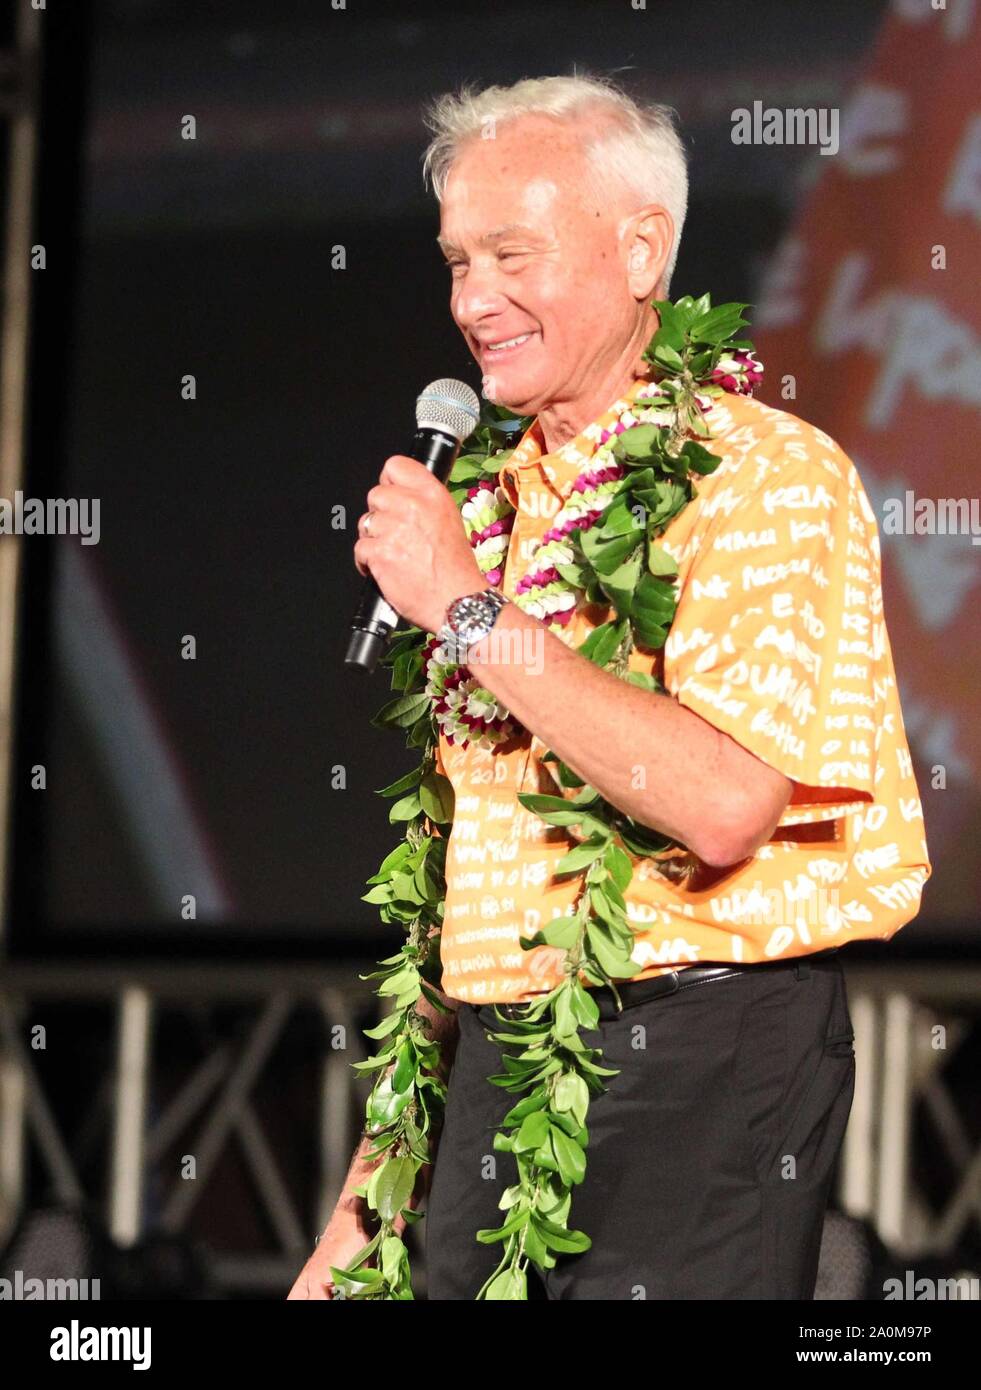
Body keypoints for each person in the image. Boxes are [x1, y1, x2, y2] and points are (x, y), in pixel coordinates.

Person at [288, 73, 931, 1301]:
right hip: (493, 1067)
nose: (473, 301)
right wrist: (358, 1221)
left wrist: (473, 610)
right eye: (458, 261)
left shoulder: (763, 479)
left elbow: (726, 801)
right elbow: (455, 904)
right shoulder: (491, 503)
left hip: (695, 1058)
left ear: (642, 249)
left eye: (510, 254)